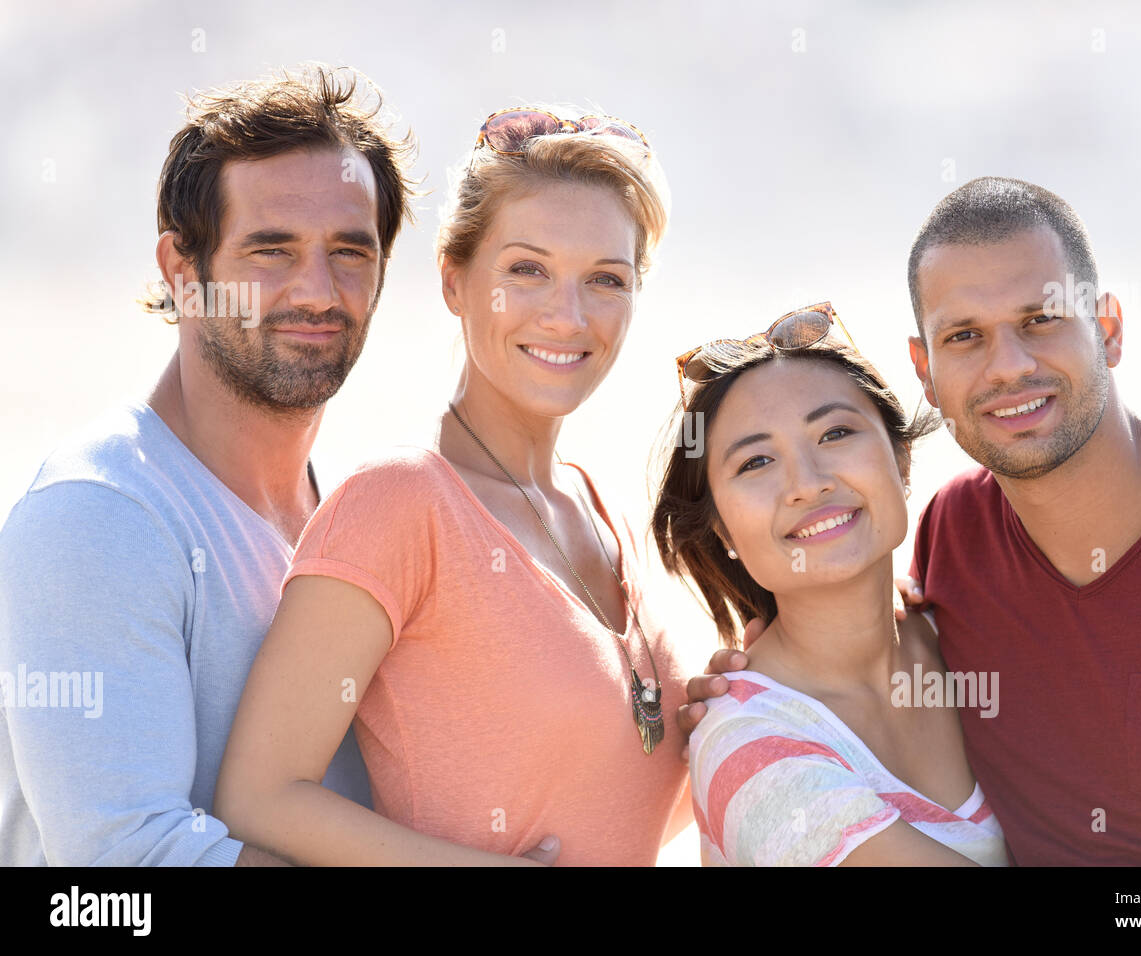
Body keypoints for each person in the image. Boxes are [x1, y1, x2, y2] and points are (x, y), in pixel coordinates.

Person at [678, 178, 1141, 866]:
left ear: (1110, 329)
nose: (1009, 366)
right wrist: (755, 689)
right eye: (966, 335)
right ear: (927, 370)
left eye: (1040, 319)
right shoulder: (959, 536)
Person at [214, 107, 696, 866]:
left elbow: (617, 810)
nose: (567, 316)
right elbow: (259, 795)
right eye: (526, 270)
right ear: (454, 281)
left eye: (606, 279)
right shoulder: (400, 502)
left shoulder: (607, 515)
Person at [0, 65, 417, 865]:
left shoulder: (352, 514)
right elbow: (122, 874)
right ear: (182, 270)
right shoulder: (99, 513)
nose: (317, 291)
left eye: (349, 252)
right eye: (271, 250)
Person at [651, 304, 1008, 866]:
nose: (808, 484)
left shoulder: (968, 623)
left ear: (902, 457)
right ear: (722, 529)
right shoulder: (748, 744)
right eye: (756, 461)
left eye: (835, 432)